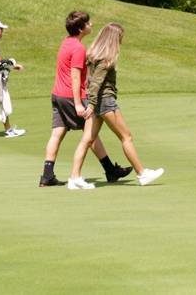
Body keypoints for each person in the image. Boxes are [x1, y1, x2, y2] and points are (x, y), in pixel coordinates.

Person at [38, 11, 130, 187]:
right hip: (73, 96)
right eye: (88, 23)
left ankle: (47, 175)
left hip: (57, 94)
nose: (91, 25)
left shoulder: (66, 42)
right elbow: (75, 76)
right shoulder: (79, 49)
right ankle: (110, 170)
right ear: (81, 28)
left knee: (57, 133)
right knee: (90, 135)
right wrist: (79, 103)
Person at [67, 23, 164, 189]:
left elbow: (90, 81)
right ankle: (142, 174)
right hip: (105, 102)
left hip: (98, 102)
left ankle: (74, 178)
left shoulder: (93, 55)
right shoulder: (105, 58)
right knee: (126, 137)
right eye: (120, 38)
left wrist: (92, 103)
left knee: (88, 139)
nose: (121, 41)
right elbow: (95, 83)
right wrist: (91, 104)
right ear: (113, 39)